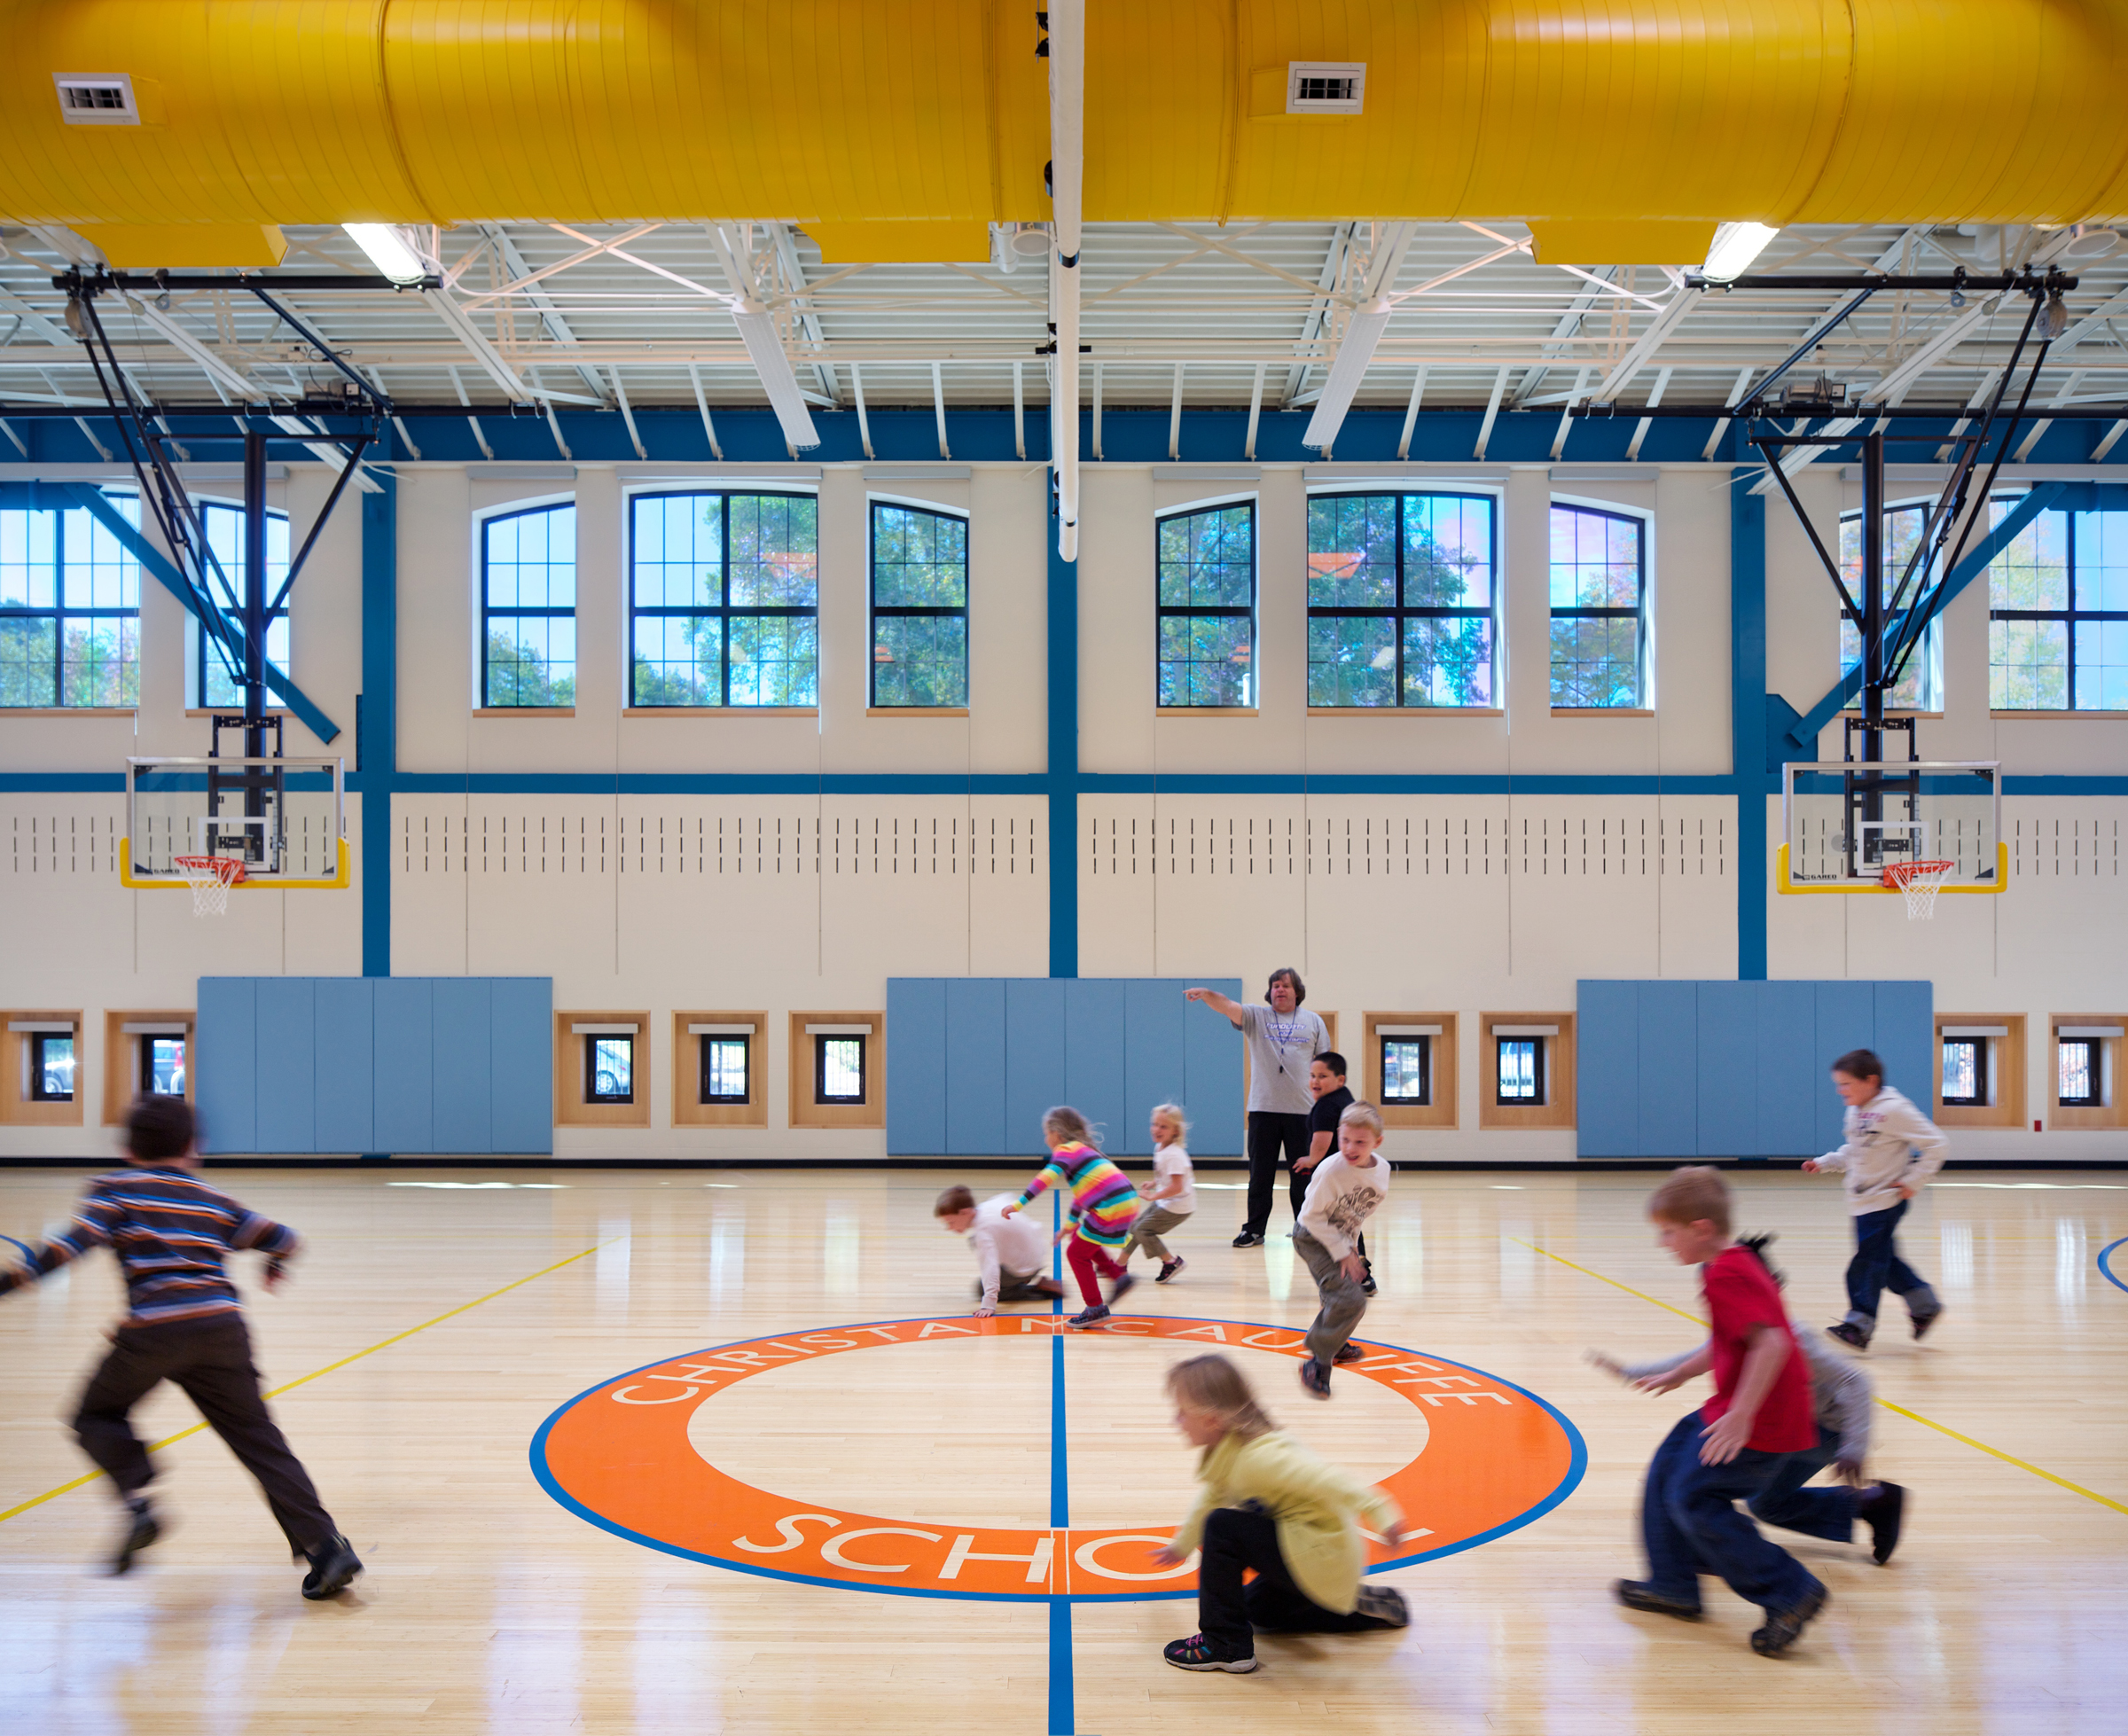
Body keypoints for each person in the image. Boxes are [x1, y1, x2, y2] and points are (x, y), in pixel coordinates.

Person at [0, 1096, 362, 1599]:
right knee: (260, 1442)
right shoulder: (211, 1199)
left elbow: (68, 1246)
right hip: (222, 1329)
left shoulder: (114, 1190)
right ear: (195, 1148)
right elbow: (285, 1238)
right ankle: (328, 1549)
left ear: (126, 1147)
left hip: (151, 1331)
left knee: (94, 1416)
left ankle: (138, 1503)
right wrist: (274, 1265)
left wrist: (12, 1279)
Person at [1611, 1167, 1827, 1657]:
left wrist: (1743, 1415)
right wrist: (1681, 1372)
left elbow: (1771, 1343)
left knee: (1694, 1499)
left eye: (1668, 1232)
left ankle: (1790, 1592)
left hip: (1761, 1418)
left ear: (1701, 1229)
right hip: (1735, 1406)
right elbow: (1734, 1339)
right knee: (1669, 1466)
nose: (1663, 1243)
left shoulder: (1727, 1273)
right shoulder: (1728, 1263)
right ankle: (1673, 1583)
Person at [1592, 1232, 1905, 1564]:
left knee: (1708, 1473)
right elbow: (1695, 1358)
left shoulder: (1793, 1337)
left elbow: (1856, 1381)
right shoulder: (1743, 1329)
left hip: (1825, 1429)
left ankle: (1710, 1549)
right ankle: (1873, 1502)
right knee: (1765, 1503)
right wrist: (1631, 1371)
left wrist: (1853, 1449)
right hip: (1793, 1424)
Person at [1153, 1353, 1410, 1673]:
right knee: (1253, 1610)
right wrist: (1182, 1545)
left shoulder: (1262, 1458)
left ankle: (1225, 1644)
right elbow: (1211, 1496)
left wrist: (1381, 1512)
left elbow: (1329, 1479)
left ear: (1211, 1420)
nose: (1175, 1422)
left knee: (1222, 1526)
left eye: (1181, 1413)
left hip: (1320, 1551)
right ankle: (1352, 1607)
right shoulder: (1230, 1450)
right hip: (1311, 1555)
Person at [1803, 1048, 1947, 1350]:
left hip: (1885, 1200)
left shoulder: (1895, 1109)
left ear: (1870, 1080)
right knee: (1885, 1262)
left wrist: (1913, 1181)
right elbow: (1855, 1150)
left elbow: (1936, 1144)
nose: (1841, 1091)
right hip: (1862, 1201)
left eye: (1846, 1084)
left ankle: (1859, 1325)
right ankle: (1925, 1306)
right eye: (1838, 1085)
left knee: (1866, 1263)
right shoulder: (1856, 1109)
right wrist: (1826, 1162)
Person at [1184, 970, 1328, 1247]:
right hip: (1264, 1110)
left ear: (1296, 991)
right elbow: (1227, 1005)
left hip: (1304, 1112)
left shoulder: (1314, 1021)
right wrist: (1207, 995)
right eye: (1275, 985)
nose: (1280, 990)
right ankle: (1254, 1230)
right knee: (1260, 1174)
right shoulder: (1256, 1017)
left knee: (1304, 1176)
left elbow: (1323, 1065)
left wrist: (1325, 1105)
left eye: (1285, 985)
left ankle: (1306, 1227)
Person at [1003, 1106, 1142, 1329]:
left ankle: (1095, 1308)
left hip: (1111, 1204)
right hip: (1127, 1201)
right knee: (1083, 1239)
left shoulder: (1065, 1150)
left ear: (1056, 1134)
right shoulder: (1083, 1151)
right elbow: (1082, 1196)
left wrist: (1018, 1204)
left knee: (1076, 1253)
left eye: (1046, 1133)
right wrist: (1070, 1225)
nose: (1045, 1138)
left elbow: (1045, 1177)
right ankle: (1119, 1277)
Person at [1292, 1101, 1390, 1398]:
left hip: (1340, 1236)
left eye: (1360, 1142)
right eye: (1345, 1140)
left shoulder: (1381, 1171)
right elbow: (1310, 1216)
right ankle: (1317, 1362)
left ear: (1377, 1142)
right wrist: (1341, 1250)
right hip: (1312, 1236)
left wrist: (1351, 1248)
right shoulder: (1331, 1171)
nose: (1350, 1147)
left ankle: (1336, 1344)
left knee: (1341, 1292)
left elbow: (1356, 1214)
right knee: (1353, 1300)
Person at [1301, 1052, 1373, 1294]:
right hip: (1351, 1176)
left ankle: (1345, 1278)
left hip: (1335, 1179)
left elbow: (1322, 1141)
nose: (1315, 1081)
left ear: (1339, 1079)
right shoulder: (1346, 1098)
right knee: (1350, 1224)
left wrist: (1310, 1160)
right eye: (1312, 1076)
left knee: (1325, 1225)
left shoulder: (1325, 1105)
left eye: (1322, 1076)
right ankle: (1362, 1275)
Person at [935, 1185, 1065, 1317]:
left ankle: (1035, 1290)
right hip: (1038, 1249)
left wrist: (988, 1304)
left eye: (951, 1222)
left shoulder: (983, 1232)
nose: (949, 1228)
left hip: (1027, 1266)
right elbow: (1008, 1196)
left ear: (965, 1212)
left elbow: (989, 1268)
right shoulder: (989, 1204)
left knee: (981, 1289)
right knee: (976, 1241)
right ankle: (1023, 1276)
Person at [1120, 1102, 1195, 1283]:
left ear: (1175, 1131)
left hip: (1178, 1206)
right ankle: (1119, 1265)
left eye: (1163, 1126)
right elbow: (1166, 1176)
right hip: (1167, 1201)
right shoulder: (1161, 1147)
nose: (1157, 1129)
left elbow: (1177, 1187)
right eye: (1154, 1124)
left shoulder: (1174, 1155)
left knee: (1143, 1231)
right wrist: (1155, 1182)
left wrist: (1153, 1195)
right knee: (1135, 1227)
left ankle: (1171, 1262)